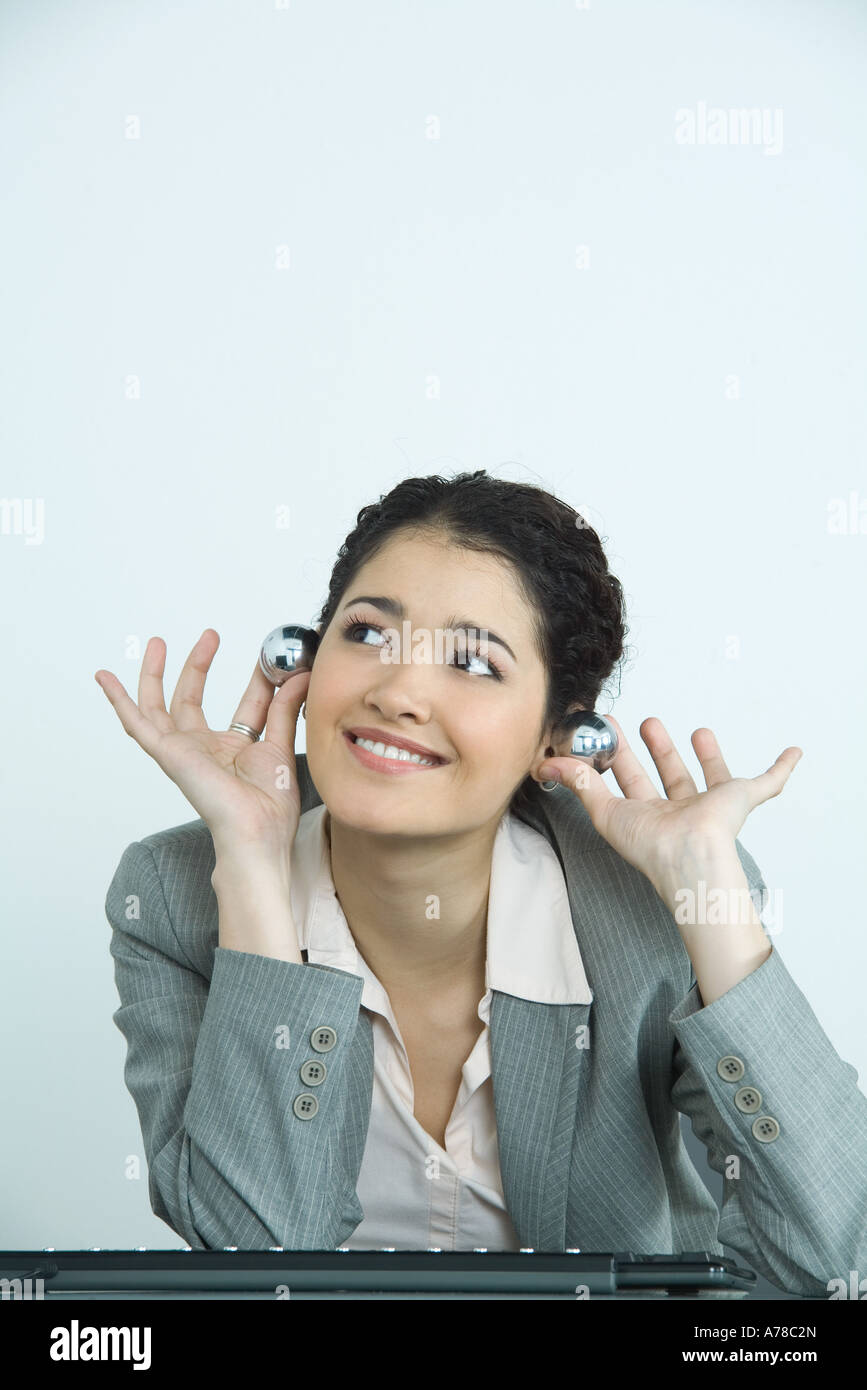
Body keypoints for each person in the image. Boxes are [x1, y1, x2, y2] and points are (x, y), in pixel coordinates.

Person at [97, 468, 867, 1296]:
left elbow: (828, 1263)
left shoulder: (649, 906)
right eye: (366, 635)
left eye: (472, 662)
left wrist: (706, 893)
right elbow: (252, 1257)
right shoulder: (175, 893)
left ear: (556, 737)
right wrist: (249, 860)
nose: (397, 692)